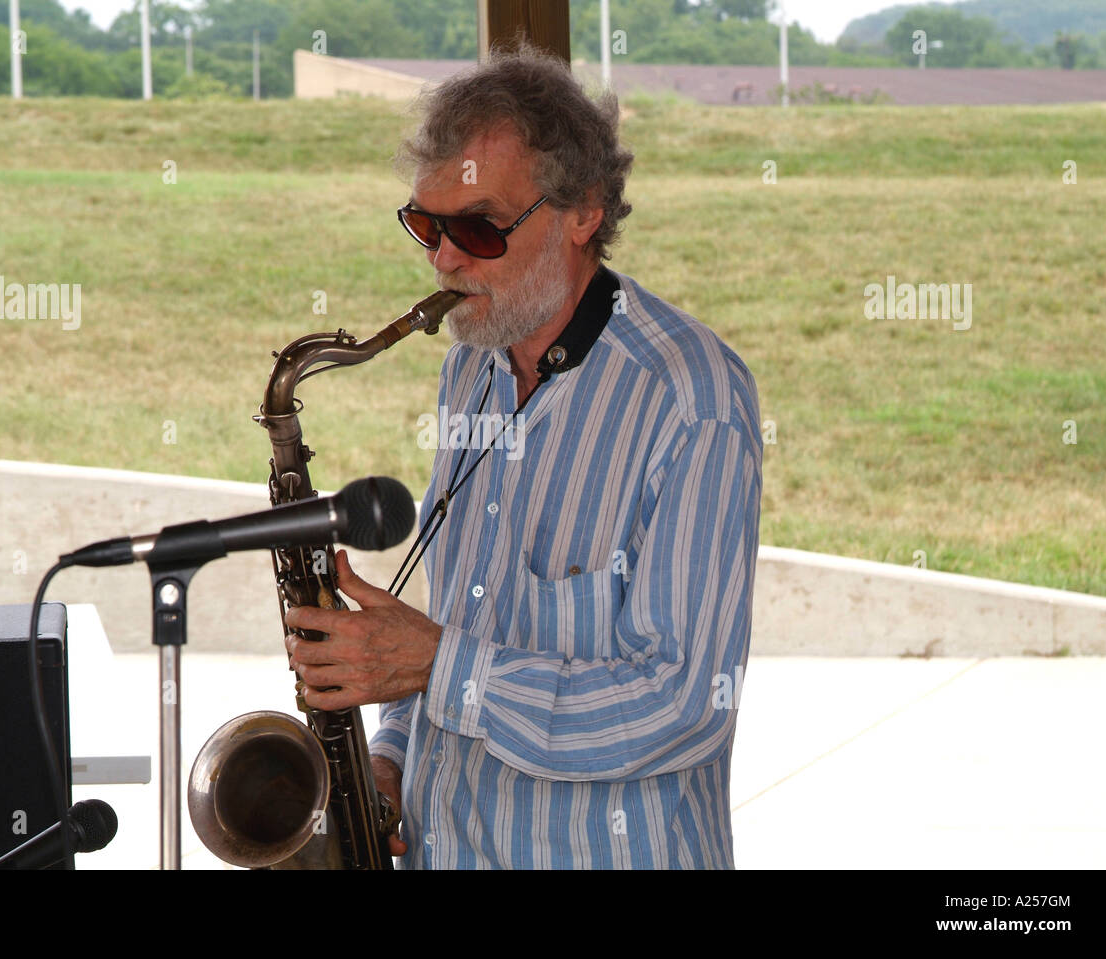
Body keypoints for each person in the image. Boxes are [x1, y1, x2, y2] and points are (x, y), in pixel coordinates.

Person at [282, 43, 762, 869]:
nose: (443, 258)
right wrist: (390, 759)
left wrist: (437, 663)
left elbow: (684, 705)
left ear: (583, 212)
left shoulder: (693, 400)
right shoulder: (471, 363)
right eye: (426, 225)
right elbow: (447, 630)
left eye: (477, 227)